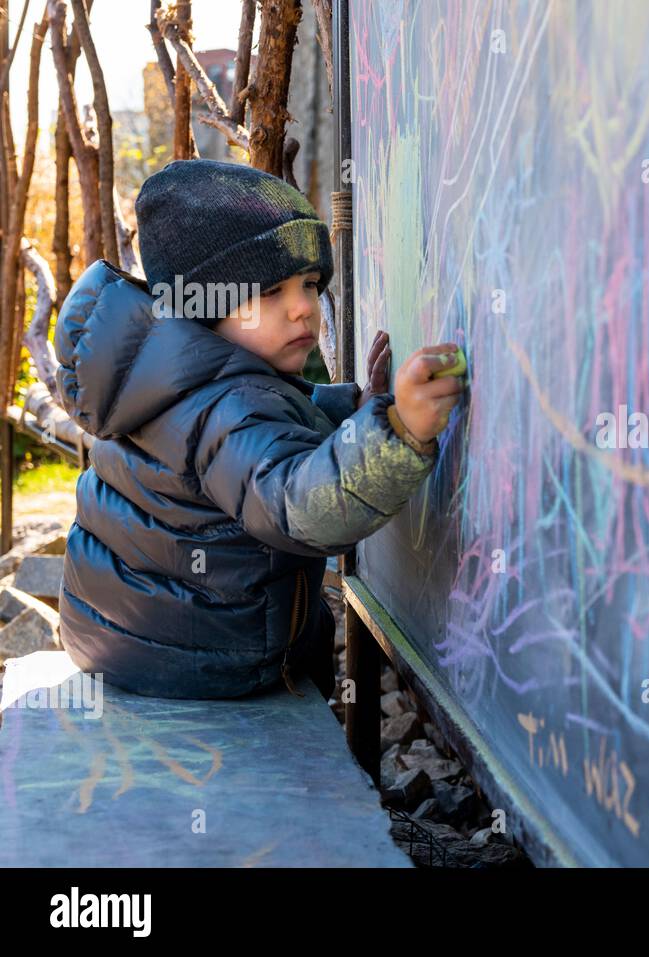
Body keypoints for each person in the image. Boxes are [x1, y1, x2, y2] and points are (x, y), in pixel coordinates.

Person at [53, 159, 464, 700]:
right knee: (311, 635)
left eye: (310, 284)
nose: (303, 309)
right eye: (269, 292)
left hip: (124, 634)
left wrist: (354, 410)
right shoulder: (226, 405)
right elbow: (302, 508)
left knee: (309, 624)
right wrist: (399, 431)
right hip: (205, 659)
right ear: (205, 305)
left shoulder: (169, 380)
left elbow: (272, 426)